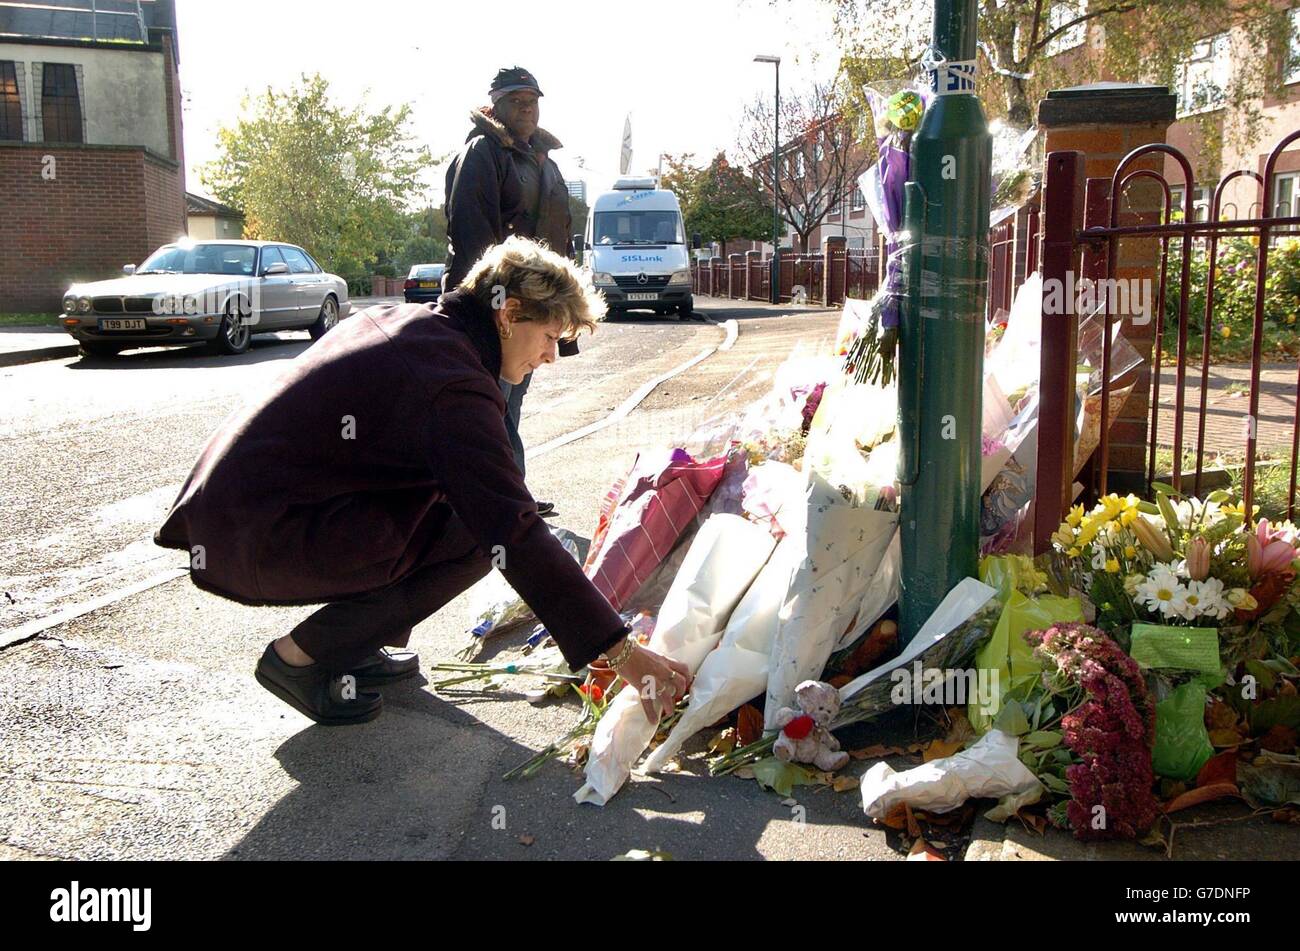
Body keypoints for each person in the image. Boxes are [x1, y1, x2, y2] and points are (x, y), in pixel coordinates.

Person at [155, 238, 689, 727]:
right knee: (482, 540)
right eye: (550, 336)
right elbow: (511, 528)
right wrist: (622, 652)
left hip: (239, 518)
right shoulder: (450, 382)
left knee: (457, 513)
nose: (551, 355)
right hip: (260, 537)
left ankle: (361, 646)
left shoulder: (415, 326)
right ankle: (301, 658)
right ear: (508, 314)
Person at [444, 66, 574, 514]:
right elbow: (471, 235)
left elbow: (561, 240)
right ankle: (496, 502)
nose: (527, 108)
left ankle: (507, 496)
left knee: (508, 404)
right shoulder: (483, 152)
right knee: (488, 407)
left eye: (533, 100)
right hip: (496, 308)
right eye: (516, 100)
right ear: (495, 105)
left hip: (534, 308)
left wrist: (564, 312)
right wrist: (488, 311)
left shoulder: (545, 163)